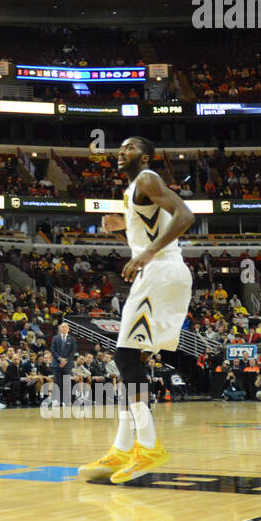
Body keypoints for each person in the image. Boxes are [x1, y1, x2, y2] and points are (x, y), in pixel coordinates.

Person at [79, 137, 194, 485]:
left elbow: (185, 215)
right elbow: (148, 233)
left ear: (144, 156)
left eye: (128, 147)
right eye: (120, 147)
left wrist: (145, 254)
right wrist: (122, 230)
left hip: (161, 271)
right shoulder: (134, 190)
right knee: (128, 360)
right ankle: (124, 447)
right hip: (155, 271)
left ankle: (147, 445)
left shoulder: (146, 178)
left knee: (127, 359)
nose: (120, 151)